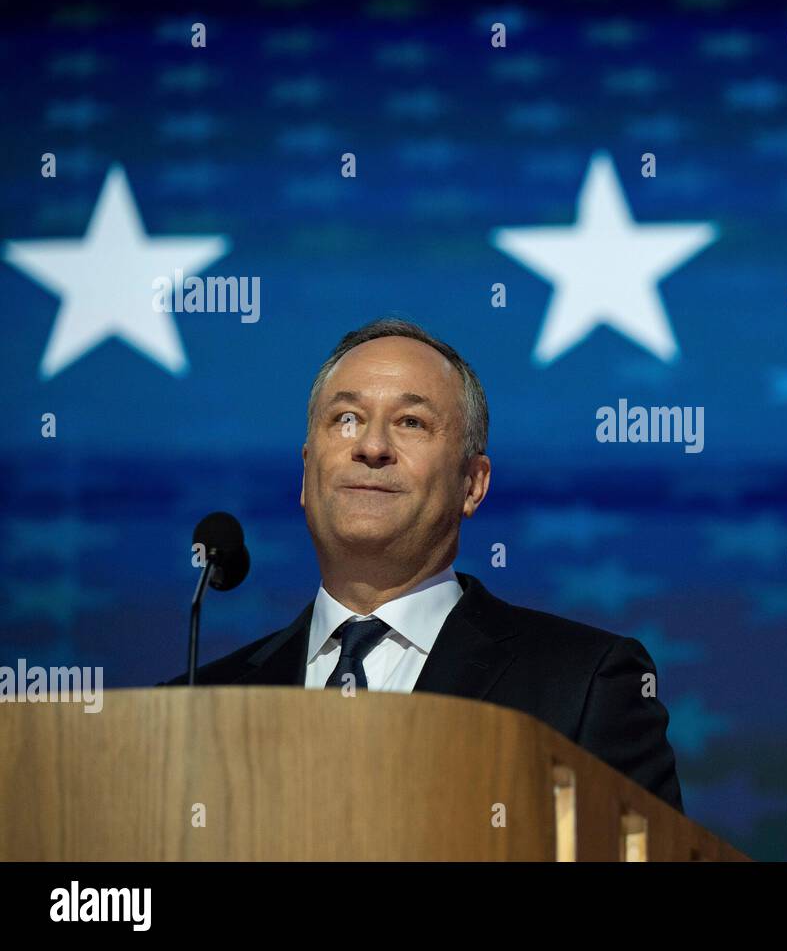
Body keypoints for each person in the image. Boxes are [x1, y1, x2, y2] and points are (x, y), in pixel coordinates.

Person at [164, 318, 683, 813]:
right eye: (346, 419)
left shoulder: (586, 685)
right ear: (306, 473)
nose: (371, 446)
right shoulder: (189, 707)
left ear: (473, 484)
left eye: (411, 422)